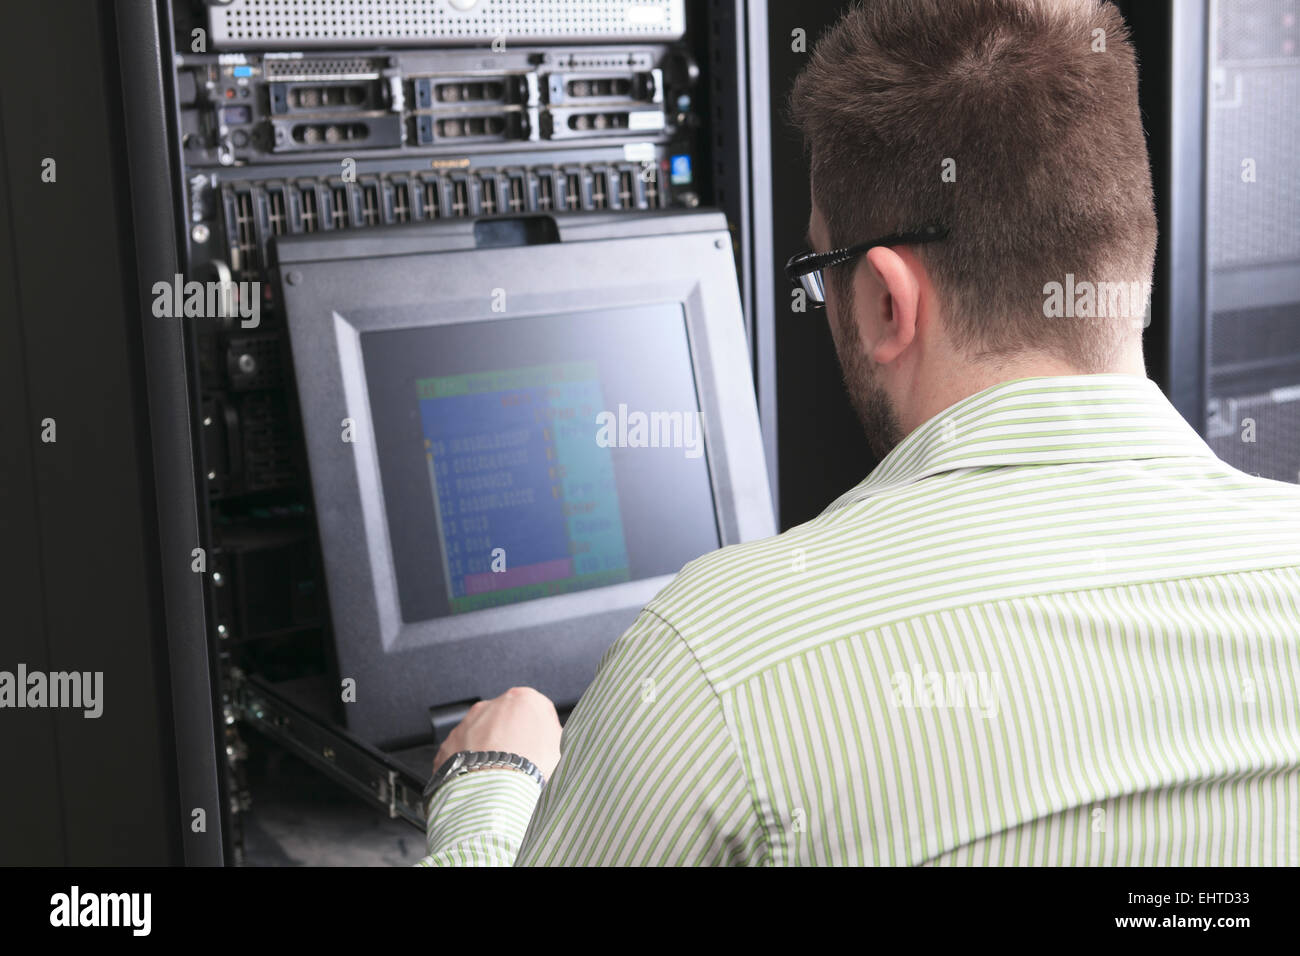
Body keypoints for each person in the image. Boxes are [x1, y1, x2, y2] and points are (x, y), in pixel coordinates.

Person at [416, 0, 1300, 866]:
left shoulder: (719, 663)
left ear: (886, 299)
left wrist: (489, 782)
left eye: (819, 270)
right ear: (1128, 249)